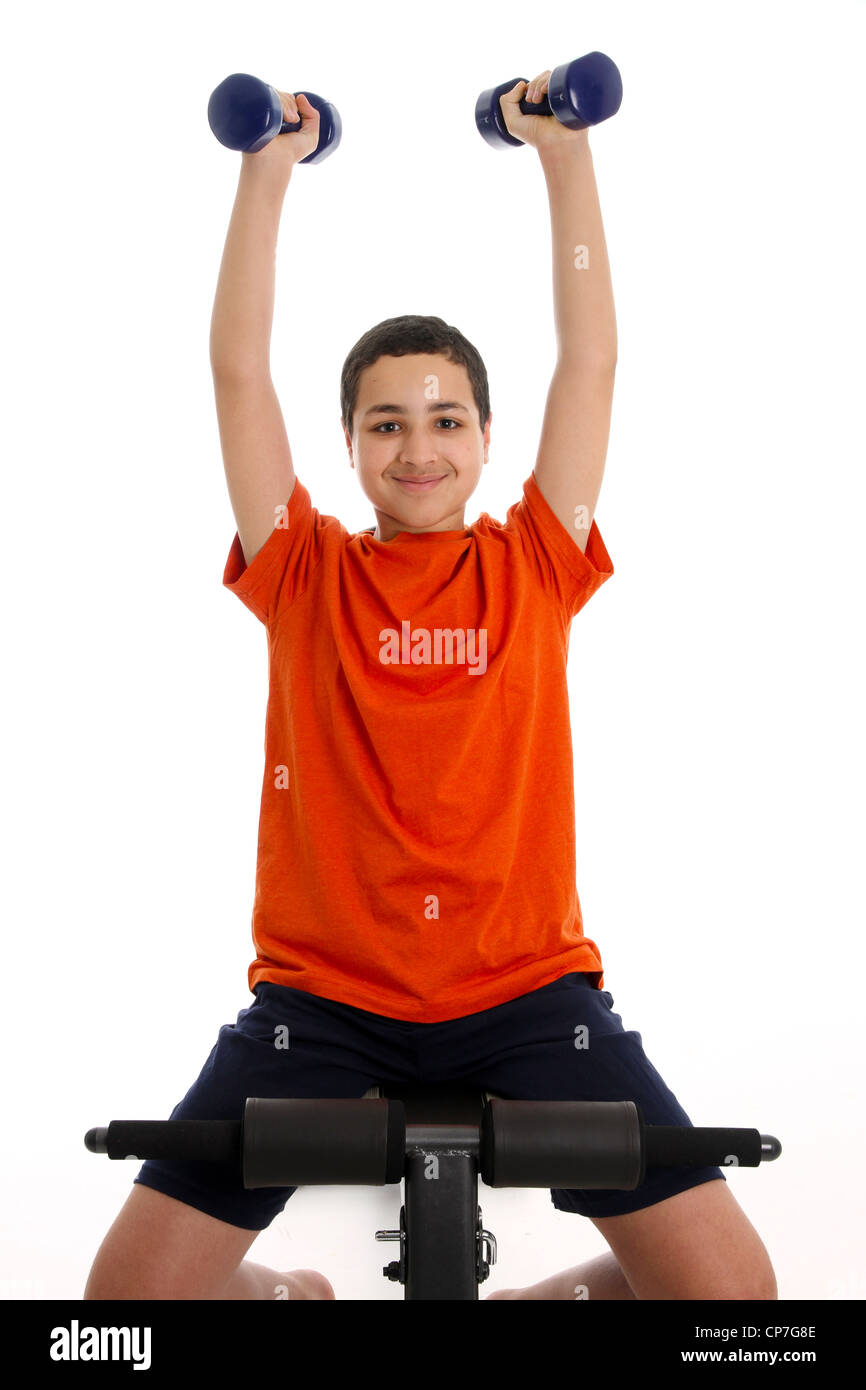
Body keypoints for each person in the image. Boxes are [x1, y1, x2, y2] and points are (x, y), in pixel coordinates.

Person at [84, 76, 777, 1301]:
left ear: (487, 437)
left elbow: (593, 359)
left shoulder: (534, 564)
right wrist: (269, 168)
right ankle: (291, 1298)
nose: (419, 447)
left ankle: (530, 1305)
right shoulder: (299, 571)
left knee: (733, 1306)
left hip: (525, 993)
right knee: (122, 1315)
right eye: (386, 422)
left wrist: (558, 152)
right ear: (346, 444)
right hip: (322, 1001)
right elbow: (236, 370)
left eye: (447, 418)